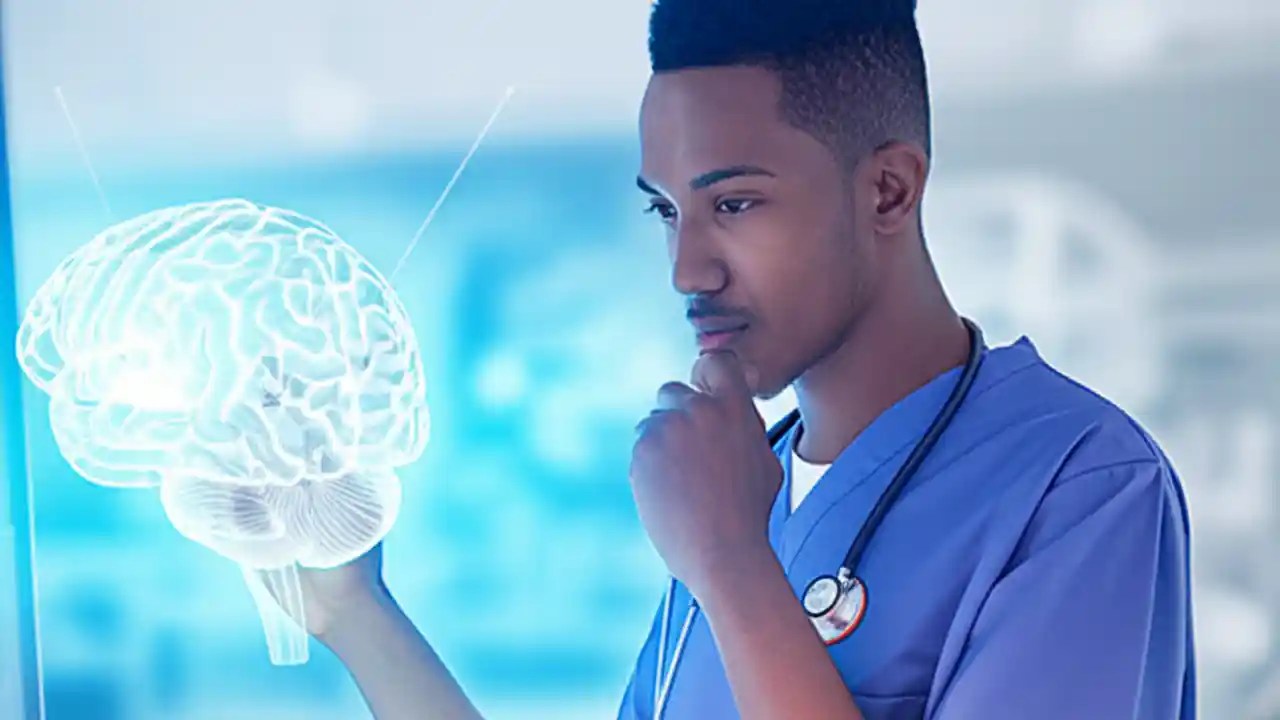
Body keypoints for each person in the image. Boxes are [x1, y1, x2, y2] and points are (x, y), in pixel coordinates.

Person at [294, 1, 1197, 718]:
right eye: (666, 212)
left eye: (734, 205)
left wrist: (730, 563)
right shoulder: (740, 482)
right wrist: (354, 610)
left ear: (888, 189)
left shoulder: (1080, 490)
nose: (686, 269)